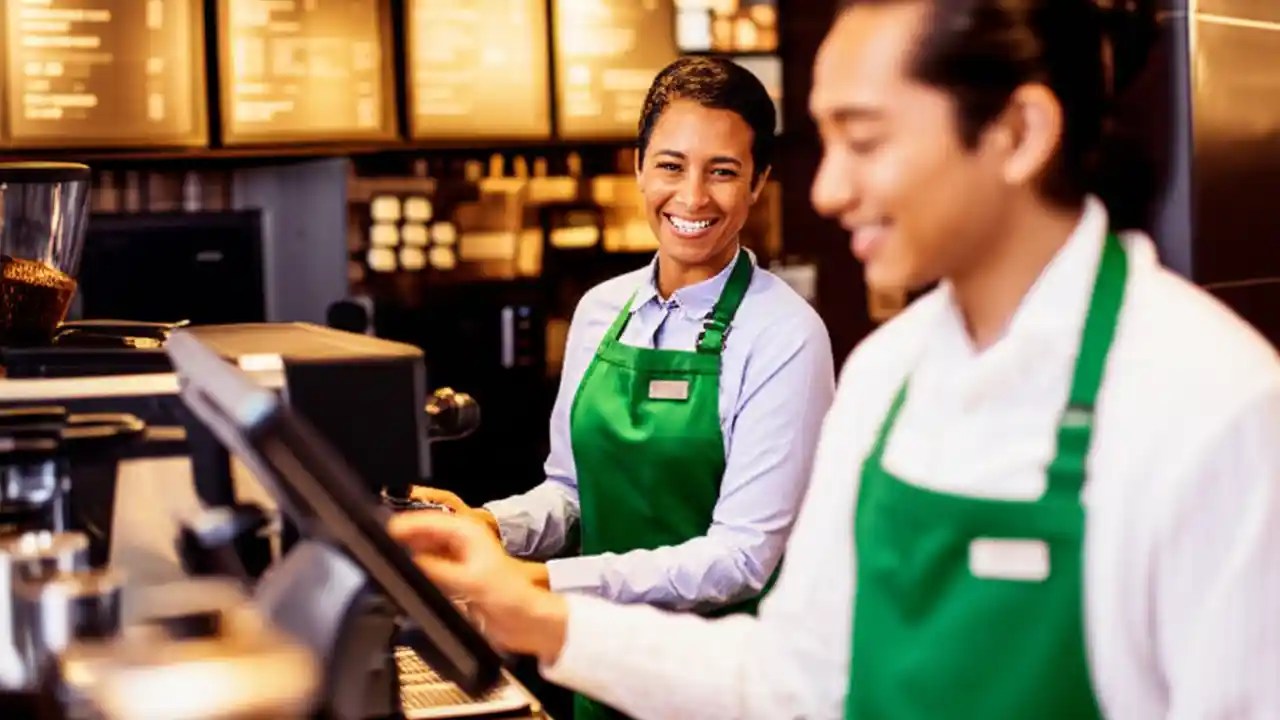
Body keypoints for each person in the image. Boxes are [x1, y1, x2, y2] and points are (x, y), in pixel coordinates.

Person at [391, 1, 1280, 718]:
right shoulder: (888, 375)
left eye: (867, 139)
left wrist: (544, 591)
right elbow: (803, 678)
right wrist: (531, 612)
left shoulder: (1213, 402)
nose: (829, 190)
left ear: (1017, 132)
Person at [413, 56, 835, 718]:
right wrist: (490, 526)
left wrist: (547, 582)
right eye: (670, 165)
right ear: (638, 167)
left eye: (722, 171)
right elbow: (573, 493)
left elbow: (741, 559)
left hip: (725, 687)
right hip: (601, 671)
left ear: (758, 184)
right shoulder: (601, 311)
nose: (692, 198)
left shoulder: (785, 336)